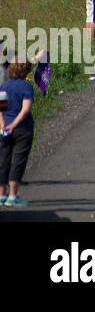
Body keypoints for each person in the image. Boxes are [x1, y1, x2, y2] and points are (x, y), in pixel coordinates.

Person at [0, 60, 35, 207]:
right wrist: (14, 125)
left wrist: (3, 126)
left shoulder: (4, 86)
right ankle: (13, 195)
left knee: (3, 160)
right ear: (26, 71)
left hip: (4, 128)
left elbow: (0, 109)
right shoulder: (26, 86)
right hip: (22, 129)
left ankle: (1, 194)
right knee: (18, 160)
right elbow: (25, 109)